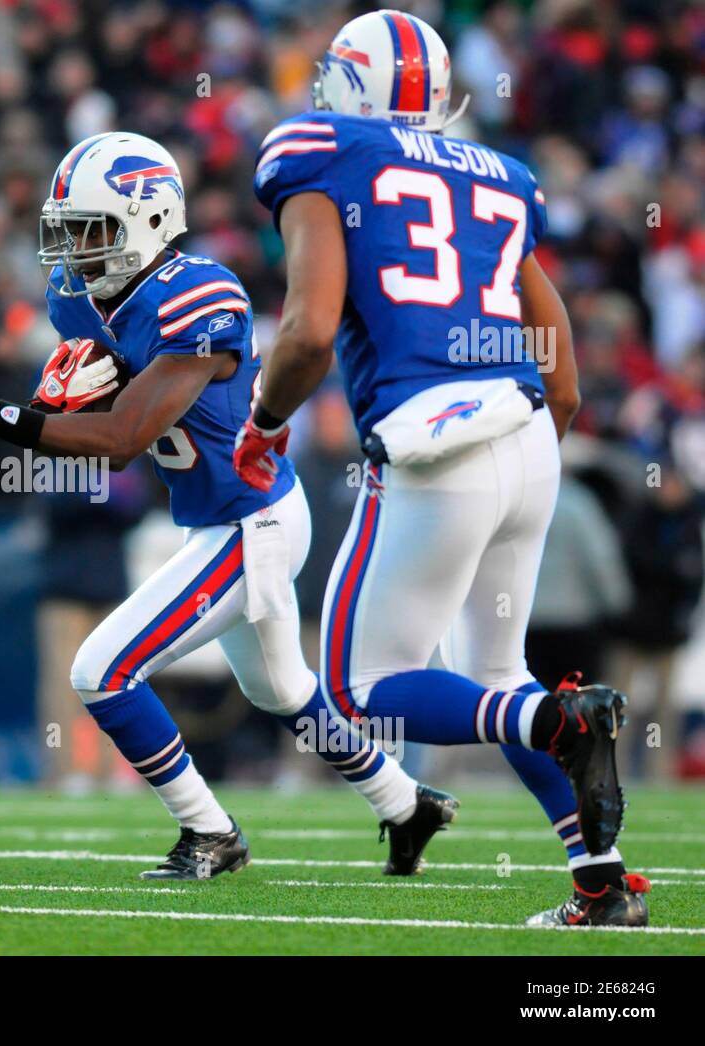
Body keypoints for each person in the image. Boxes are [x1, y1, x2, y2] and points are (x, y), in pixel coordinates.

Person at [0, 132, 454, 881]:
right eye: (68, 230)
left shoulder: (200, 296)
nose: (76, 249)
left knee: (101, 671)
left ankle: (210, 831)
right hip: (220, 516)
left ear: (148, 221)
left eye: (93, 229)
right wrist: (59, 399)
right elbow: (102, 406)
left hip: (254, 519)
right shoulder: (79, 298)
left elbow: (121, 439)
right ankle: (405, 803)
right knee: (282, 689)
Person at [233, 9, 646, 927]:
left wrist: (264, 422)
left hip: (432, 442)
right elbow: (561, 363)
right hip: (527, 429)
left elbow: (303, 333)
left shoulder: (319, 150)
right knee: (500, 677)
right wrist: (530, 445)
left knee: (356, 689)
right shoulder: (500, 173)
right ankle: (604, 885)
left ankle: (562, 725)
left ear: (343, 84)